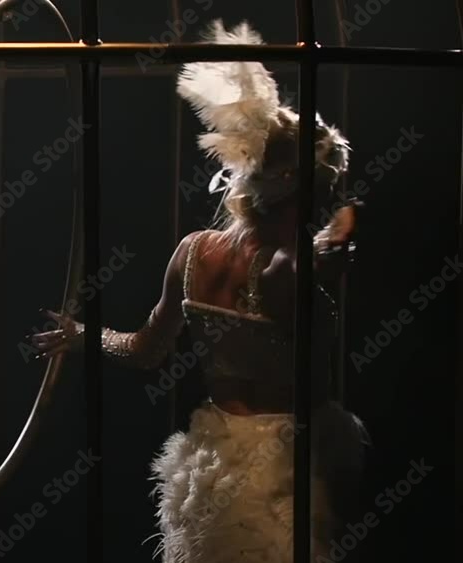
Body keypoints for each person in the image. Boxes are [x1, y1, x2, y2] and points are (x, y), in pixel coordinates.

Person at [29, 20, 369, 563]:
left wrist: (80, 334)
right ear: (307, 192)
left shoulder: (193, 252)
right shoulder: (291, 261)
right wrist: (331, 247)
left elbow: (146, 348)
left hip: (212, 465)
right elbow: (292, 276)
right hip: (280, 478)